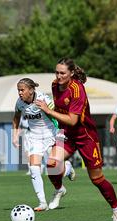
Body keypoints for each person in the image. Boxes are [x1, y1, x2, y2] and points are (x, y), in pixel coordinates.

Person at [36, 58, 117, 221]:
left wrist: (48, 110)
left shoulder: (77, 90)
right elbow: (62, 115)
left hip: (86, 136)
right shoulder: (55, 85)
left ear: (71, 73)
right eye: (57, 72)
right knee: (51, 164)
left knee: (97, 179)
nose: (59, 76)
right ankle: (59, 189)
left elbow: (72, 120)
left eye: (62, 73)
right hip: (66, 134)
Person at [12, 78, 75, 212]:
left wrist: (61, 132)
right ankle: (42, 202)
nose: (20, 93)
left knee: (53, 168)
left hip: (52, 134)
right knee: (34, 169)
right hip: (35, 137)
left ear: (31, 90)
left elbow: (59, 114)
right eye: (18, 90)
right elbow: (16, 117)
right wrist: (15, 134)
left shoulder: (44, 99)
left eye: (22, 90)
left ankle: (67, 168)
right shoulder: (19, 103)